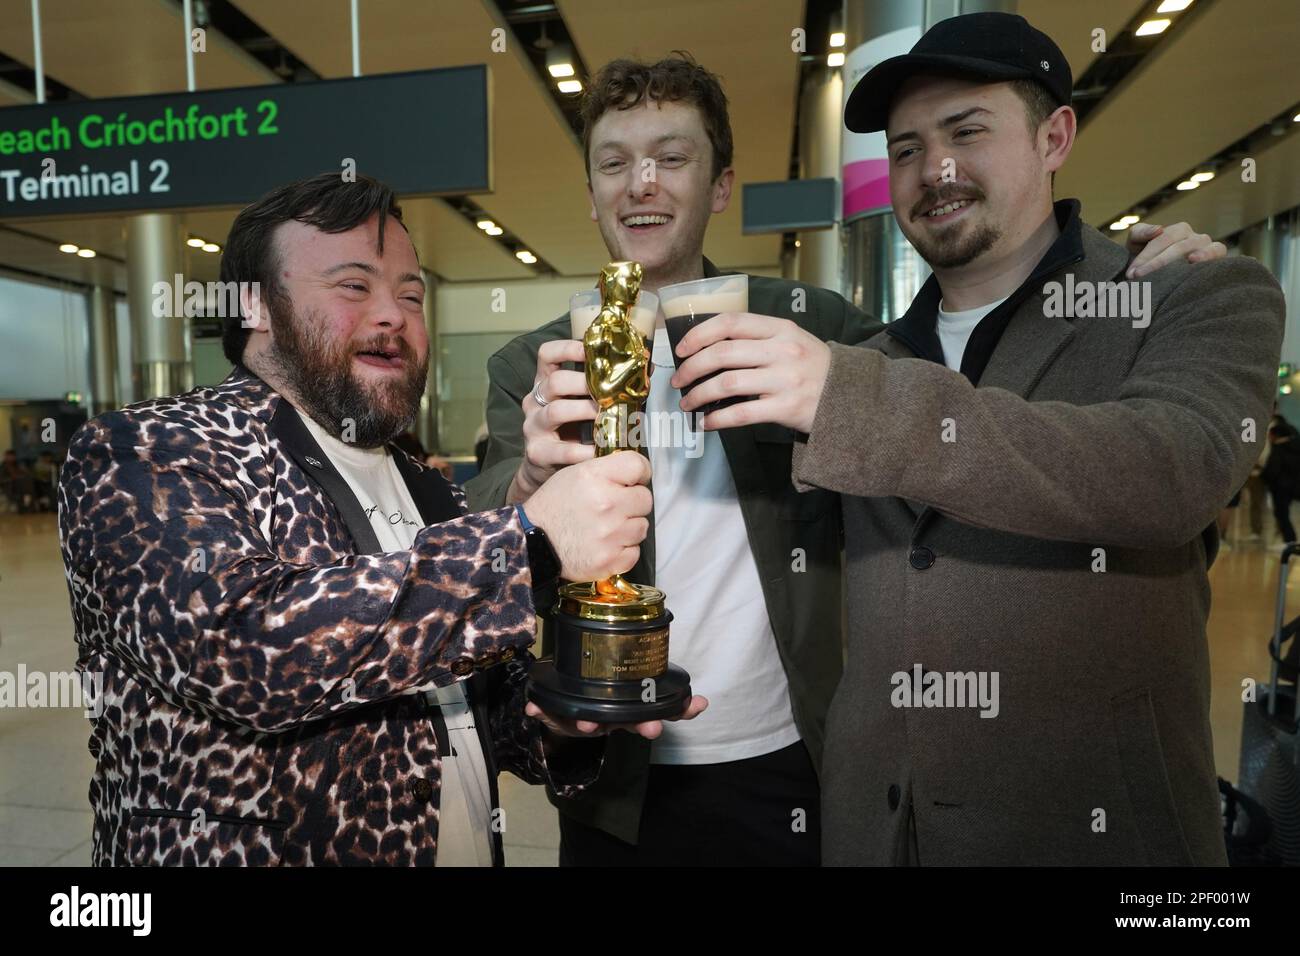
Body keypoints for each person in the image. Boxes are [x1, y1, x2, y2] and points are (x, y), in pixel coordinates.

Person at [467, 52, 1226, 866]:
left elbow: (974, 386)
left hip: (794, 762)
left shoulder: (809, 325)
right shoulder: (535, 365)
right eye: (615, 164)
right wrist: (529, 486)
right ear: (590, 195)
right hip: (617, 774)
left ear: (722, 186)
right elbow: (479, 546)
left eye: (673, 158)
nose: (641, 183)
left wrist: (1116, 267)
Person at [671, 12, 1285, 865]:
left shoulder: (1190, 295)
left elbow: (1171, 471)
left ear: (1054, 135)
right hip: (877, 833)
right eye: (907, 147)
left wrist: (848, 397)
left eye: (967, 131)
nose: (936, 169)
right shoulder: (872, 351)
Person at [57, 173, 704, 867]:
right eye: (354, 286)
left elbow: (467, 702)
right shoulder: (149, 449)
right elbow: (243, 651)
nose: (393, 315)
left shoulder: (427, 486)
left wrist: (559, 720)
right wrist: (531, 544)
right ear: (257, 307)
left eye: (410, 294)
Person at [1263, 423, 1300, 545]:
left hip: (1280, 487)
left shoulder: (1278, 449)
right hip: (1294, 486)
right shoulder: (1296, 446)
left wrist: (1265, 478)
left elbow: (1273, 469)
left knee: (1281, 514)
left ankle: (1289, 540)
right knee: (1284, 513)